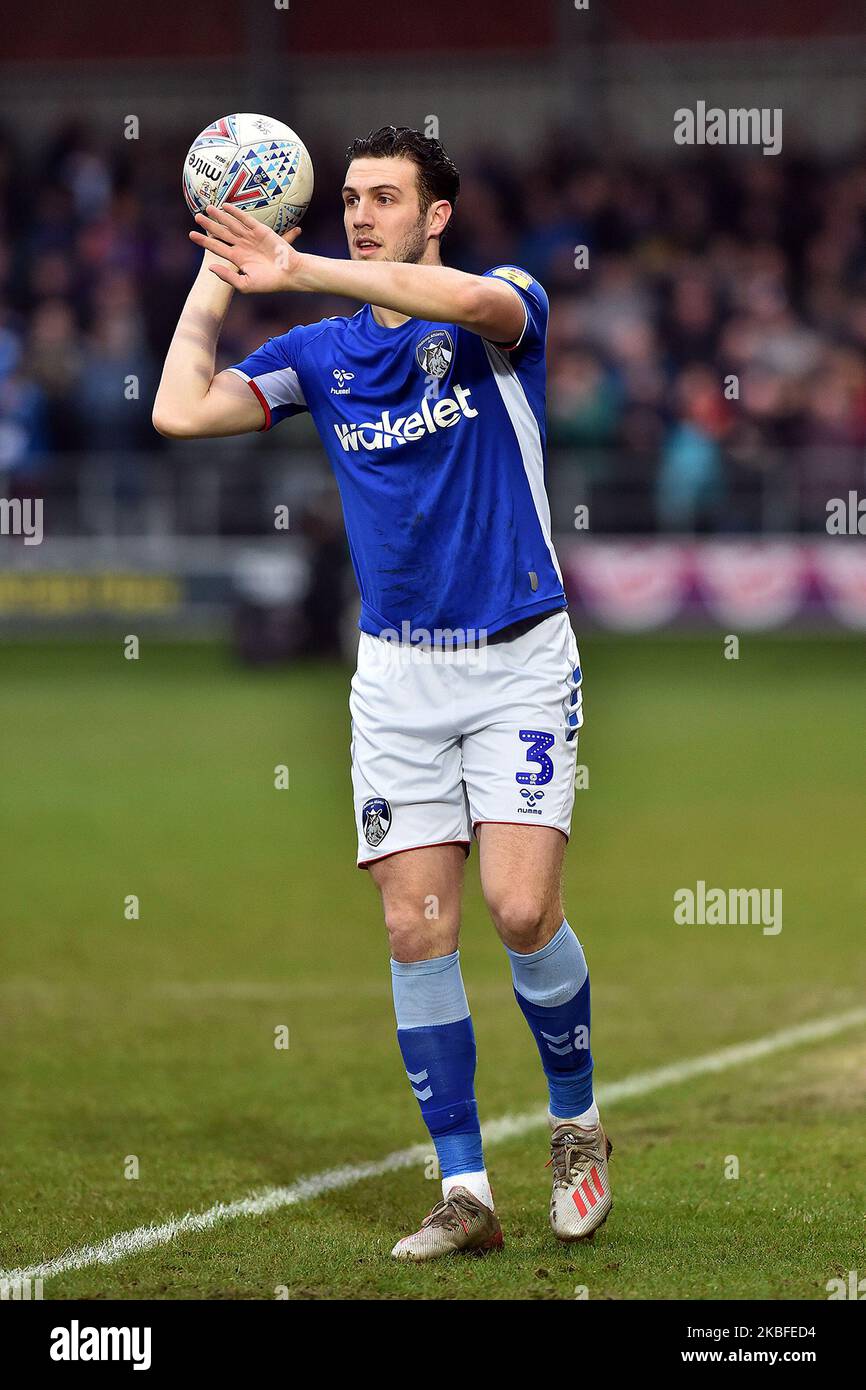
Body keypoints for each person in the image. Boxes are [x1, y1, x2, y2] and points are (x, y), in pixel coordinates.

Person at [152, 125, 612, 1260]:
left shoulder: (500, 309)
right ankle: (464, 1189)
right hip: (397, 673)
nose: (361, 214)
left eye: (386, 198)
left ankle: (576, 1126)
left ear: (435, 214)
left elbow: (467, 301)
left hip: (517, 656)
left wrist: (298, 265)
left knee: (519, 911)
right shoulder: (321, 353)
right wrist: (220, 272)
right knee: (417, 928)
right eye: (350, 198)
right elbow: (178, 411)